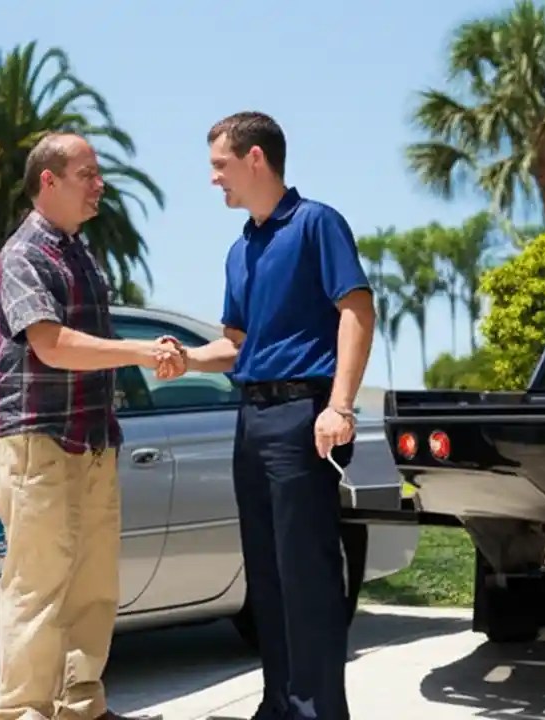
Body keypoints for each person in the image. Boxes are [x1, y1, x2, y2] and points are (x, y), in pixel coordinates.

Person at [182, 112, 374, 720]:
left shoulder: (317, 223)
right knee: (265, 576)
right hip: (252, 419)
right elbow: (236, 345)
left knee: (306, 578)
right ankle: (279, 705)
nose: (215, 179)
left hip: (302, 417)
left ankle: (317, 711)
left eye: (221, 165)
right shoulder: (241, 249)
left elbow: (357, 311)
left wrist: (339, 406)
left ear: (256, 158)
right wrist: (183, 360)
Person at [0, 131, 180, 720]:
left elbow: (86, 346)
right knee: (37, 593)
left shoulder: (79, 254)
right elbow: (52, 346)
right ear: (49, 181)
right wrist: (142, 354)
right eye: (87, 174)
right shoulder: (22, 256)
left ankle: (81, 708)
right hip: (36, 444)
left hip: (92, 444)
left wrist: (146, 355)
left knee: (93, 591)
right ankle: (24, 713)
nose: (100, 185)